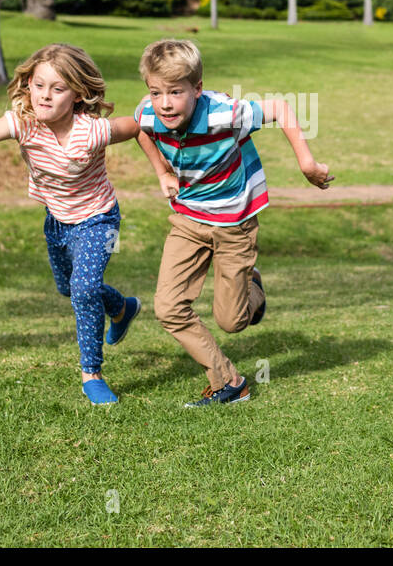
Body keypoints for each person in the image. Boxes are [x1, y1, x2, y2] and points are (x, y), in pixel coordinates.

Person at [133, 39, 332, 407]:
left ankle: (252, 287)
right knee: (168, 308)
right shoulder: (149, 112)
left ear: (197, 88)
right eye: (156, 92)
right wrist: (161, 170)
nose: (164, 103)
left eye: (175, 92)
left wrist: (307, 164)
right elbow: (139, 129)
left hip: (234, 224)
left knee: (232, 322)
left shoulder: (226, 113)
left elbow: (281, 109)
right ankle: (230, 382)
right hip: (188, 219)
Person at [0, 44, 142, 406]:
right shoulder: (23, 123)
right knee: (71, 289)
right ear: (28, 85)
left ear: (78, 93)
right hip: (57, 221)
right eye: (39, 86)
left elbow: (138, 127)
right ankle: (121, 308)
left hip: (99, 219)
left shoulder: (93, 131)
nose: (45, 96)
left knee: (84, 289)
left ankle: (92, 374)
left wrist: (164, 170)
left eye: (57, 89)